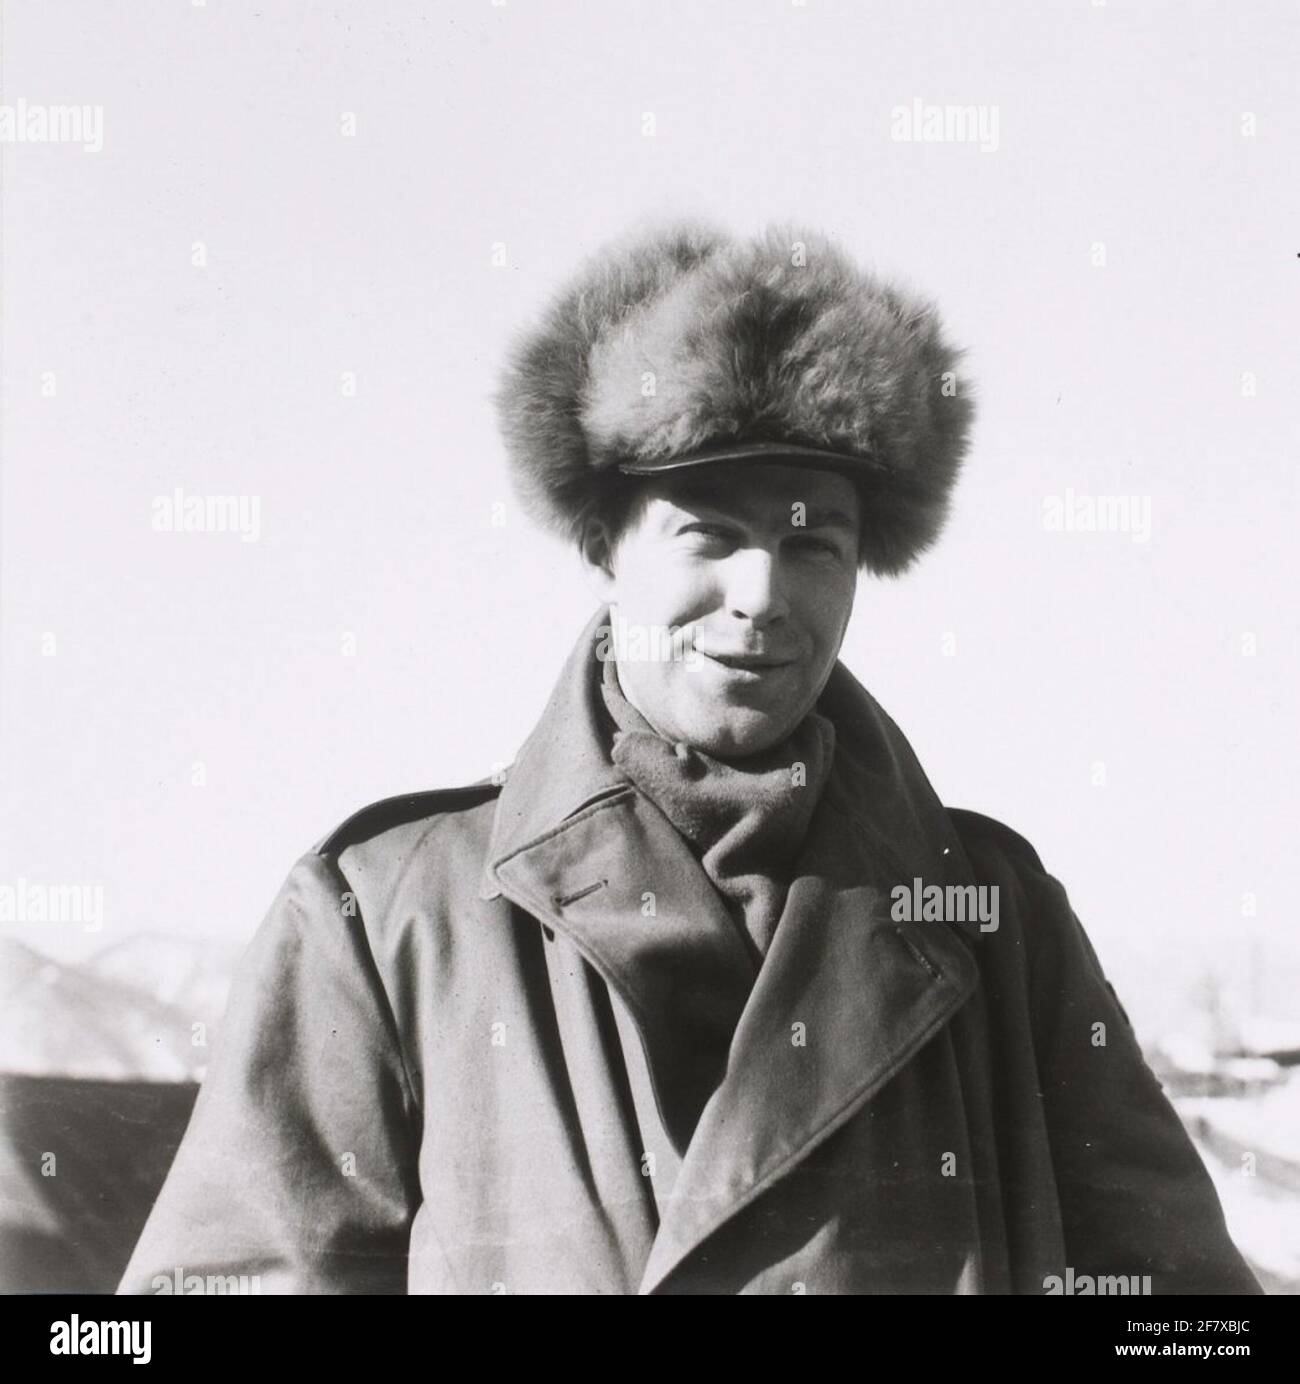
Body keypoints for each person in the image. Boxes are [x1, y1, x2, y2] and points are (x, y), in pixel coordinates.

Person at [119, 222, 1260, 1295]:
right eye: (707, 533)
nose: (761, 596)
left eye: (813, 542)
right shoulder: (388, 915)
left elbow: (1181, 1314)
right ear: (604, 546)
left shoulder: (991, 918)